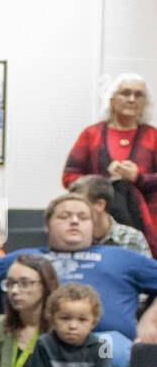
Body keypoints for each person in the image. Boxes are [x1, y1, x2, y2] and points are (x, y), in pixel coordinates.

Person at [0, 192, 157, 367]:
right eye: (64, 216)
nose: (74, 221)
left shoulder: (121, 256)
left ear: (93, 225)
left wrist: (151, 319)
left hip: (103, 340)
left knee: (107, 345)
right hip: (44, 337)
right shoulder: (26, 258)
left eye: (82, 217)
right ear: (47, 225)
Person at [62, 73, 157, 252]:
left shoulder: (153, 137)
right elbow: (69, 177)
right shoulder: (91, 135)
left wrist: (138, 177)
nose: (131, 99)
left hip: (148, 224)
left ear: (145, 102)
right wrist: (103, 181)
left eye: (138, 95)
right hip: (97, 223)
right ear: (111, 99)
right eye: (126, 93)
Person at [68, 174, 152, 257]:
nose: (73, 210)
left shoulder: (130, 238)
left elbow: (146, 270)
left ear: (100, 205)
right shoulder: (72, 237)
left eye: (80, 203)